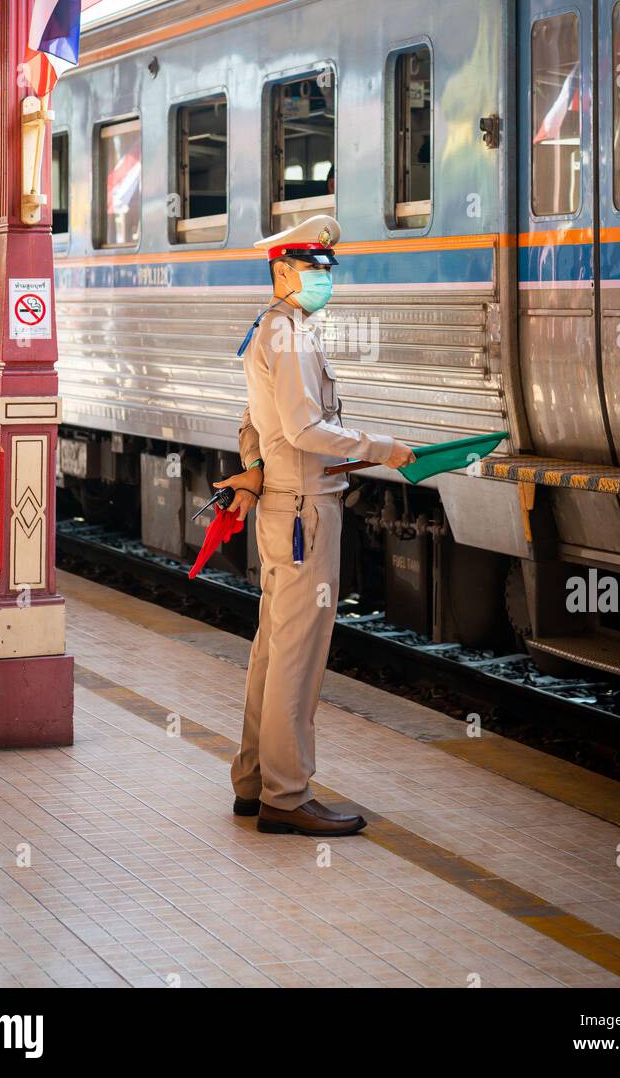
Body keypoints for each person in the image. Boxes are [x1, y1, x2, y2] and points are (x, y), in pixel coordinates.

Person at [216, 214, 413, 836]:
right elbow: (303, 430)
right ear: (283, 271)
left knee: (273, 649)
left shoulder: (269, 328)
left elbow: (252, 423)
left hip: (283, 505)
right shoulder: (291, 334)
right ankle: (287, 795)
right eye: (313, 270)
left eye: (328, 271)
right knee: (296, 656)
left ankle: (253, 782)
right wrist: (382, 447)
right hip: (306, 510)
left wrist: (253, 468)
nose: (325, 281)